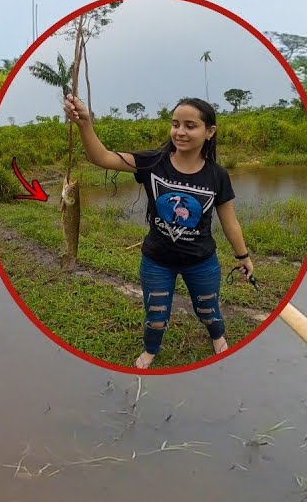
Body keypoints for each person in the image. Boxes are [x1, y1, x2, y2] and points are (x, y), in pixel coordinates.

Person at [63, 94, 253, 369]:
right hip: (156, 260)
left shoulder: (217, 175)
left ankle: (218, 336)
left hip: (201, 262)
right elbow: (102, 157)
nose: (180, 131)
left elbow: (229, 221)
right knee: (155, 314)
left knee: (208, 309)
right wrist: (85, 124)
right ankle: (151, 348)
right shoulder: (153, 162)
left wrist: (243, 256)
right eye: (175, 124)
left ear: (209, 132)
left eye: (190, 125)